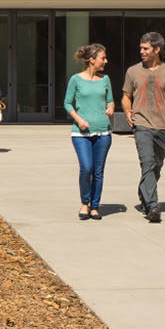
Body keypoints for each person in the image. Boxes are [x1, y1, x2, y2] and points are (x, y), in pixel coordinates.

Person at [121, 30, 165, 223]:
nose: (141, 52)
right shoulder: (133, 71)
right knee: (148, 163)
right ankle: (152, 206)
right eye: (141, 48)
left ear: (157, 49)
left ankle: (144, 190)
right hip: (141, 124)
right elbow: (126, 96)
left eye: (145, 48)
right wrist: (127, 111)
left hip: (161, 126)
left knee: (156, 166)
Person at [63, 43, 114, 220]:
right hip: (81, 134)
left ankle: (95, 206)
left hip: (103, 133)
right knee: (86, 168)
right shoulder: (75, 80)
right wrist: (78, 119)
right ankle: (85, 203)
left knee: (98, 172)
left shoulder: (105, 79)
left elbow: (110, 100)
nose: (106, 61)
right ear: (92, 60)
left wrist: (111, 107)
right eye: (103, 58)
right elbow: (67, 103)